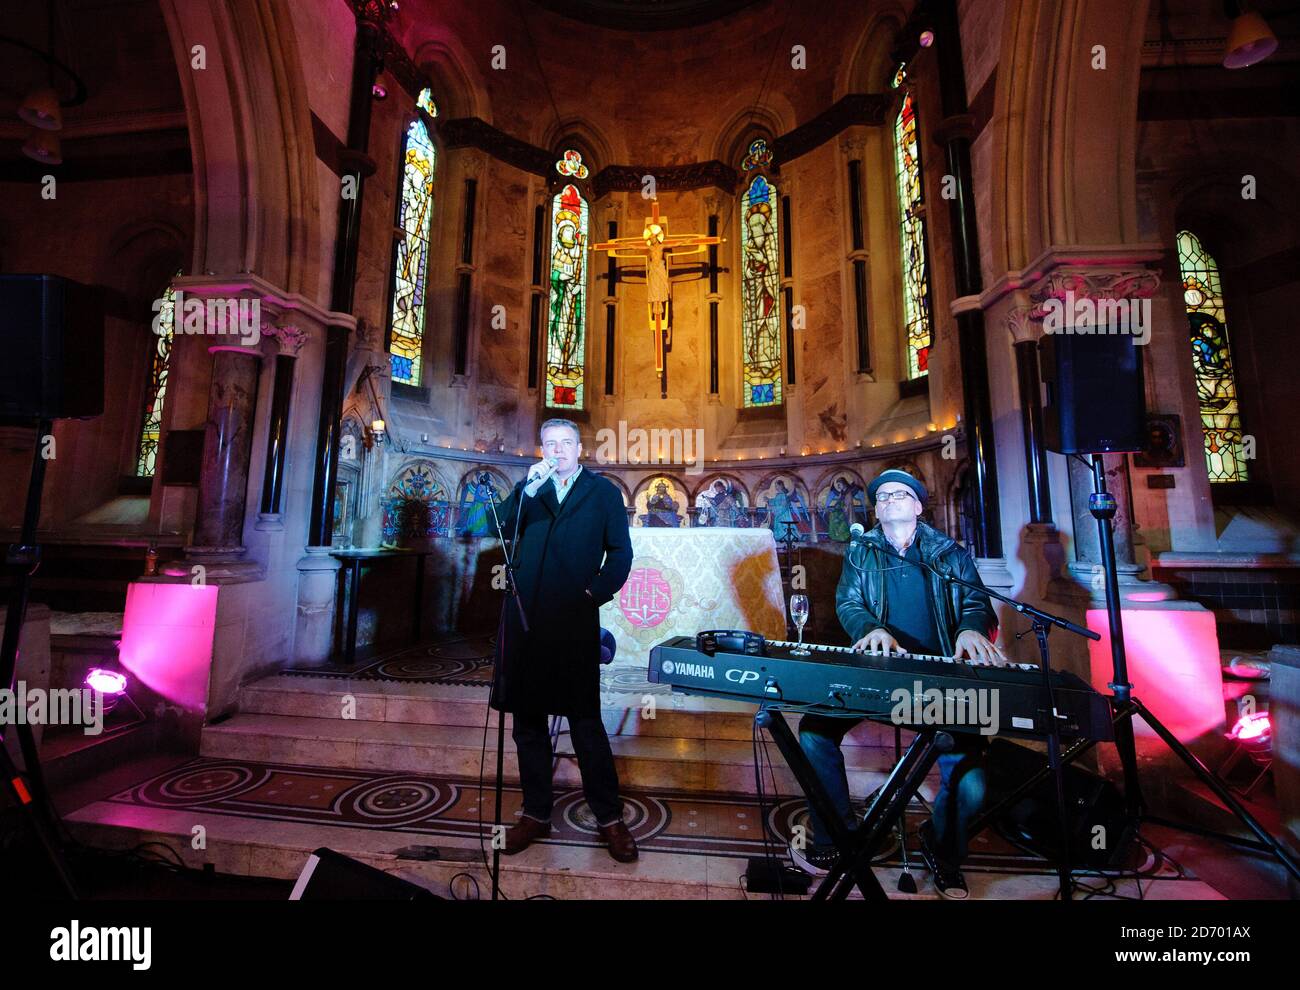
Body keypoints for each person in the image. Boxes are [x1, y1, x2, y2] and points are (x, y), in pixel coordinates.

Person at [791, 468, 1008, 897]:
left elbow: (976, 602)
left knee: (972, 782)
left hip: (942, 679)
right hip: (882, 672)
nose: (889, 501)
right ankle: (836, 838)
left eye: (899, 494)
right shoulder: (861, 551)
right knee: (814, 730)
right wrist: (869, 629)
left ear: (918, 506)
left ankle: (942, 849)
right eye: (882, 497)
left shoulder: (949, 553)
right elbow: (849, 603)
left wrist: (971, 628)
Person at [489, 419, 637, 862]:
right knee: (527, 725)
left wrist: (593, 593)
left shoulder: (603, 493)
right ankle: (535, 814)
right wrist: (523, 491)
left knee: (586, 725)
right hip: (525, 619)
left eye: (565, 444)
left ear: (579, 448)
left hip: (573, 620)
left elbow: (621, 554)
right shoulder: (530, 492)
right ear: (542, 450)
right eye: (549, 445)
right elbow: (496, 527)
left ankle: (609, 819)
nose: (557, 451)